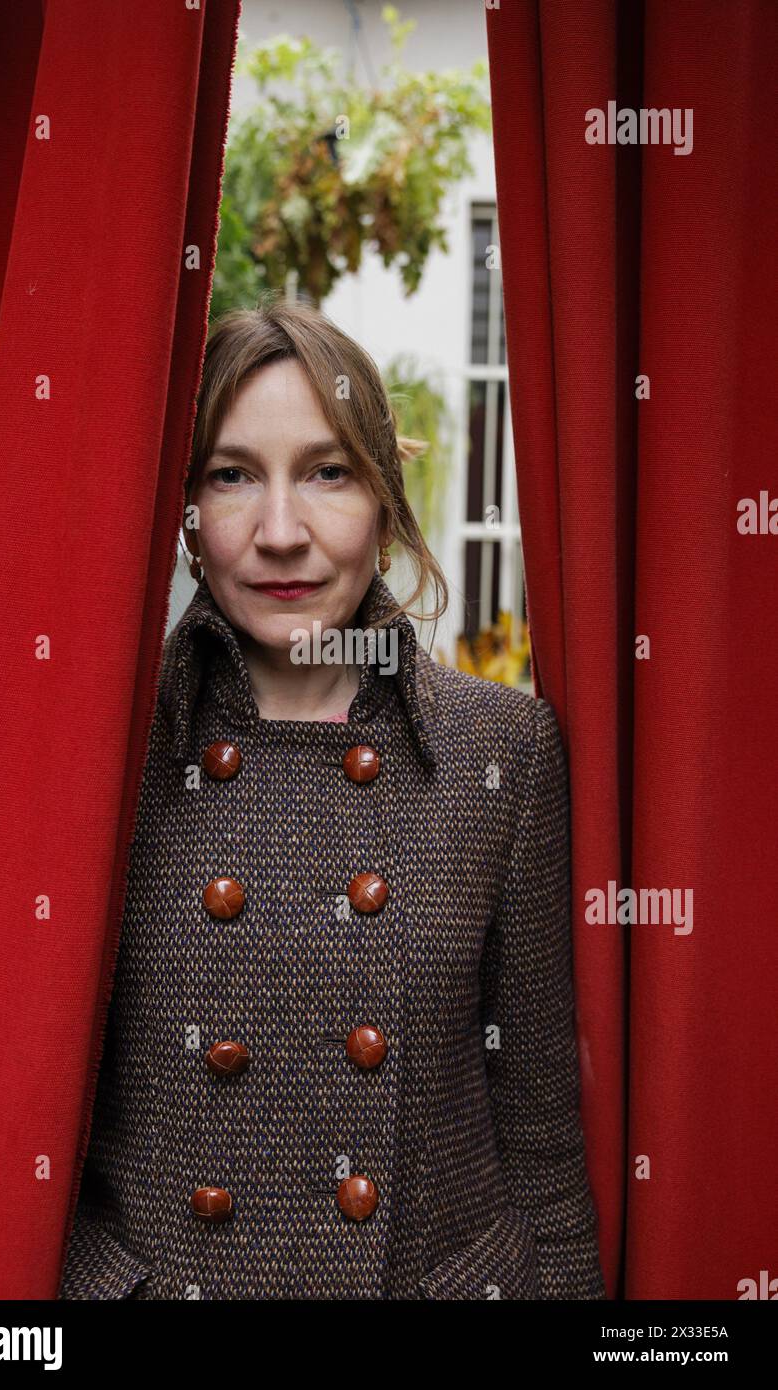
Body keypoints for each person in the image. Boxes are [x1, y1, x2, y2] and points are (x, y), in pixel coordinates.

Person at [58, 298, 606, 1300]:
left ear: (385, 499)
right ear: (181, 515)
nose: (280, 533)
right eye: (231, 476)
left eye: (327, 472)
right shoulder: (98, 759)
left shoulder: (503, 755)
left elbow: (539, 1138)